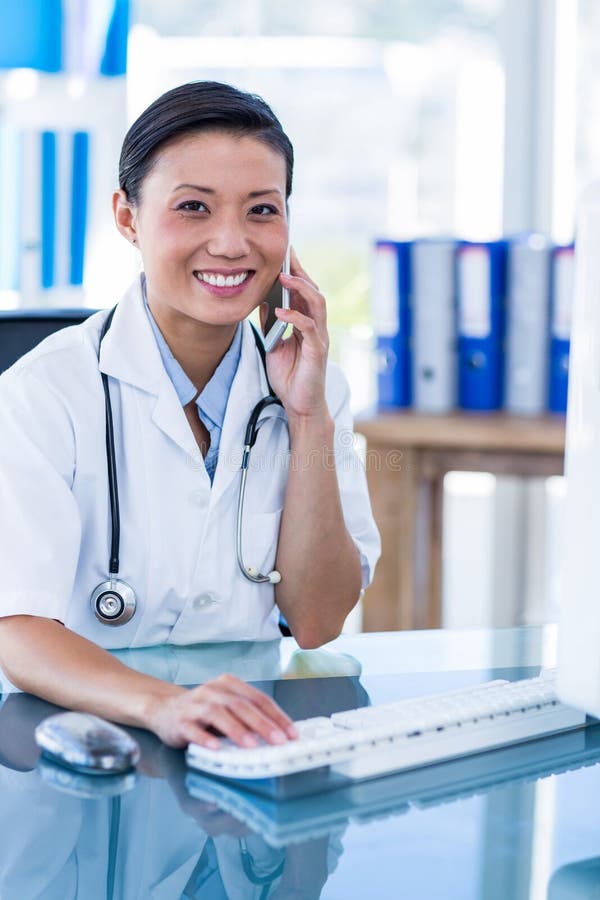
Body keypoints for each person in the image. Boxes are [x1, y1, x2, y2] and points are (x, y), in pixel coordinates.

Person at [0, 81, 380, 750]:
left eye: (262, 210)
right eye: (193, 207)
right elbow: (19, 633)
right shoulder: (42, 395)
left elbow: (318, 621)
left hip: (245, 746)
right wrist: (169, 707)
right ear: (127, 218)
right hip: (82, 743)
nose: (232, 243)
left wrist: (308, 417)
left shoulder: (316, 390)